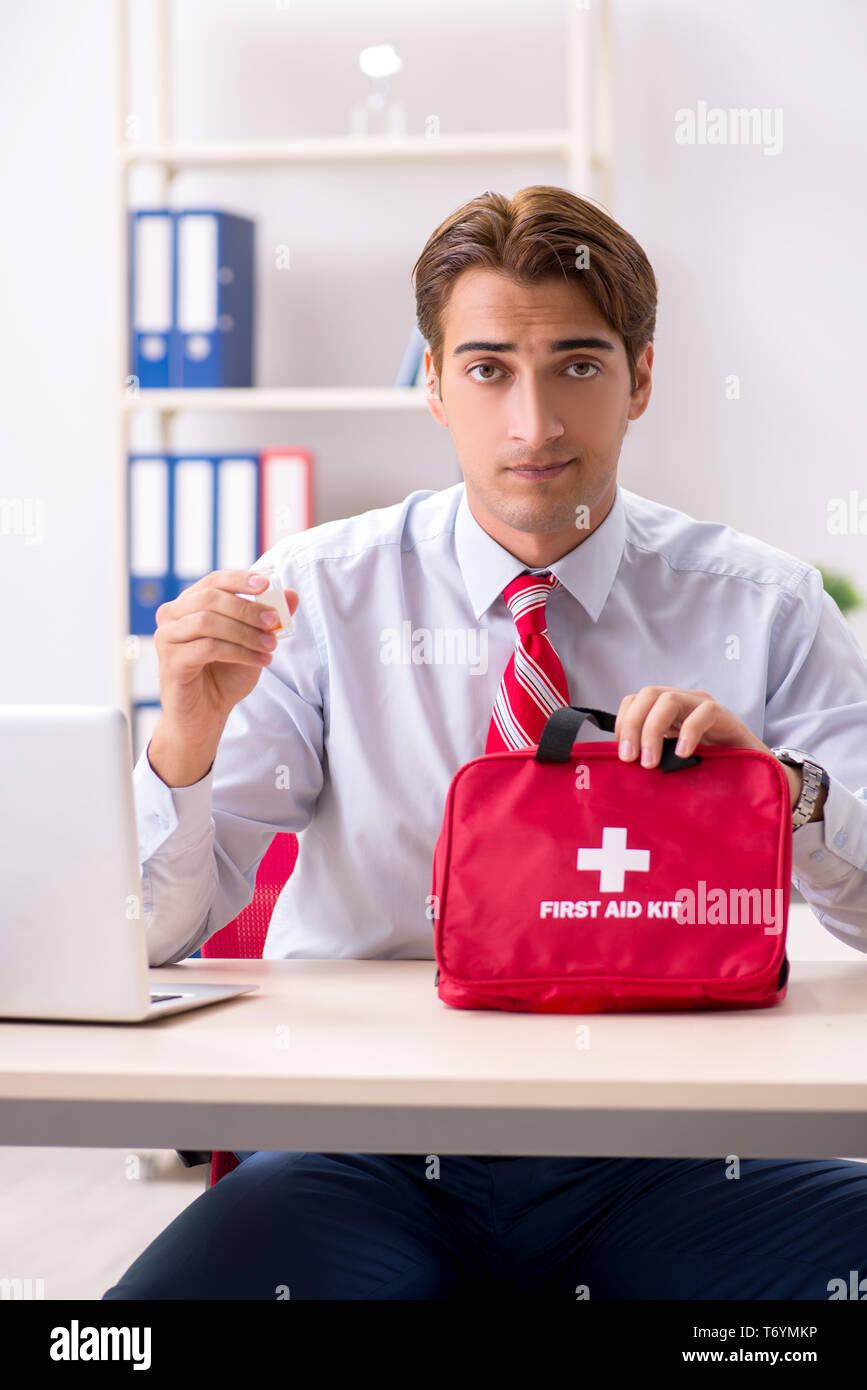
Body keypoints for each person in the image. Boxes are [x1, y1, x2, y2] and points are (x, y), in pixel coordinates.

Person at [104, 185, 867, 1301]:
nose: (535, 424)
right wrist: (185, 741)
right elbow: (148, 938)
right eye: (487, 369)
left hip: (679, 1151)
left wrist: (779, 790)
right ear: (430, 381)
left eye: (578, 365)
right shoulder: (317, 594)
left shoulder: (765, 604)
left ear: (641, 378)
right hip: (361, 1149)